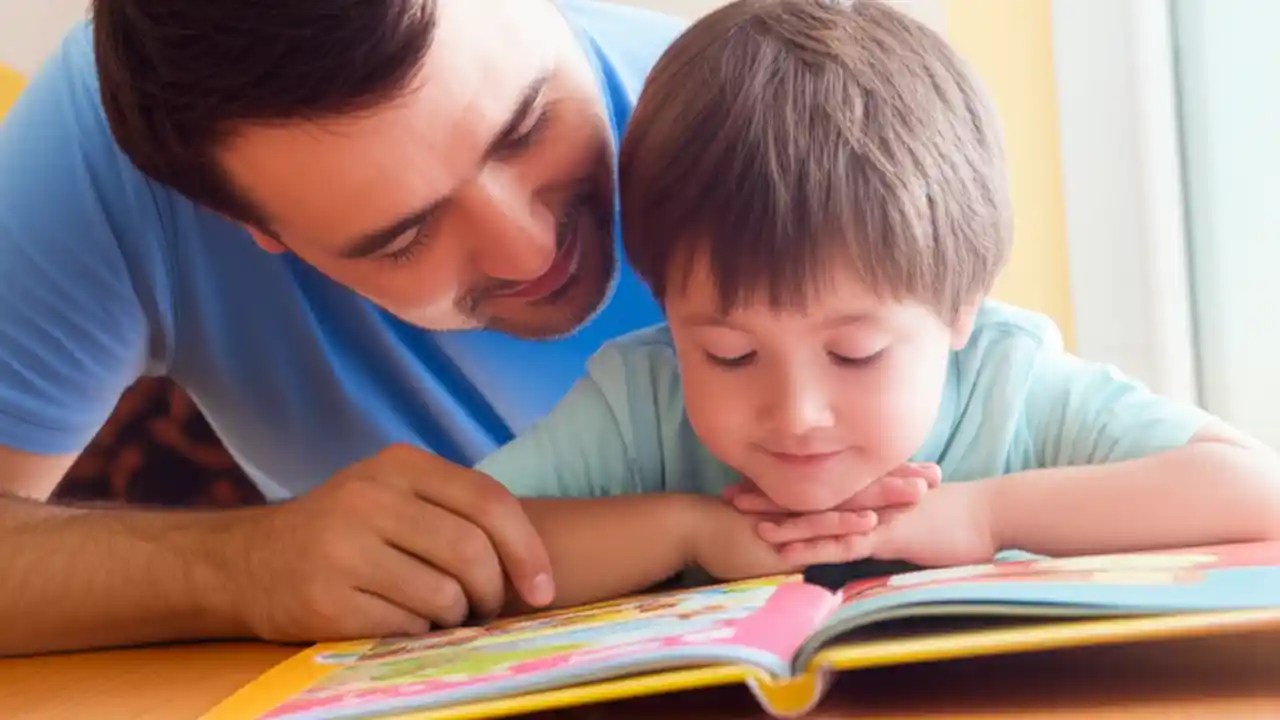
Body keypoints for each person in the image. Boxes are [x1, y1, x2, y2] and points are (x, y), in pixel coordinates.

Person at [0, 0, 922, 656]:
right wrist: (236, 567)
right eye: (404, 237)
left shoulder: (789, 134)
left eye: (525, 127)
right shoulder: (106, 156)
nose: (528, 254)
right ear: (263, 233)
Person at [474, 0, 1280, 611]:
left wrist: (989, 515)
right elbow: (461, 555)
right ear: (667, 313)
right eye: (729, 354)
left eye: (855, 353)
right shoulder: (641, 400)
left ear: (960, 307)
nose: (797, 413)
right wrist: (689, 532)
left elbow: (1256, 493)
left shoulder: (1010, 384)